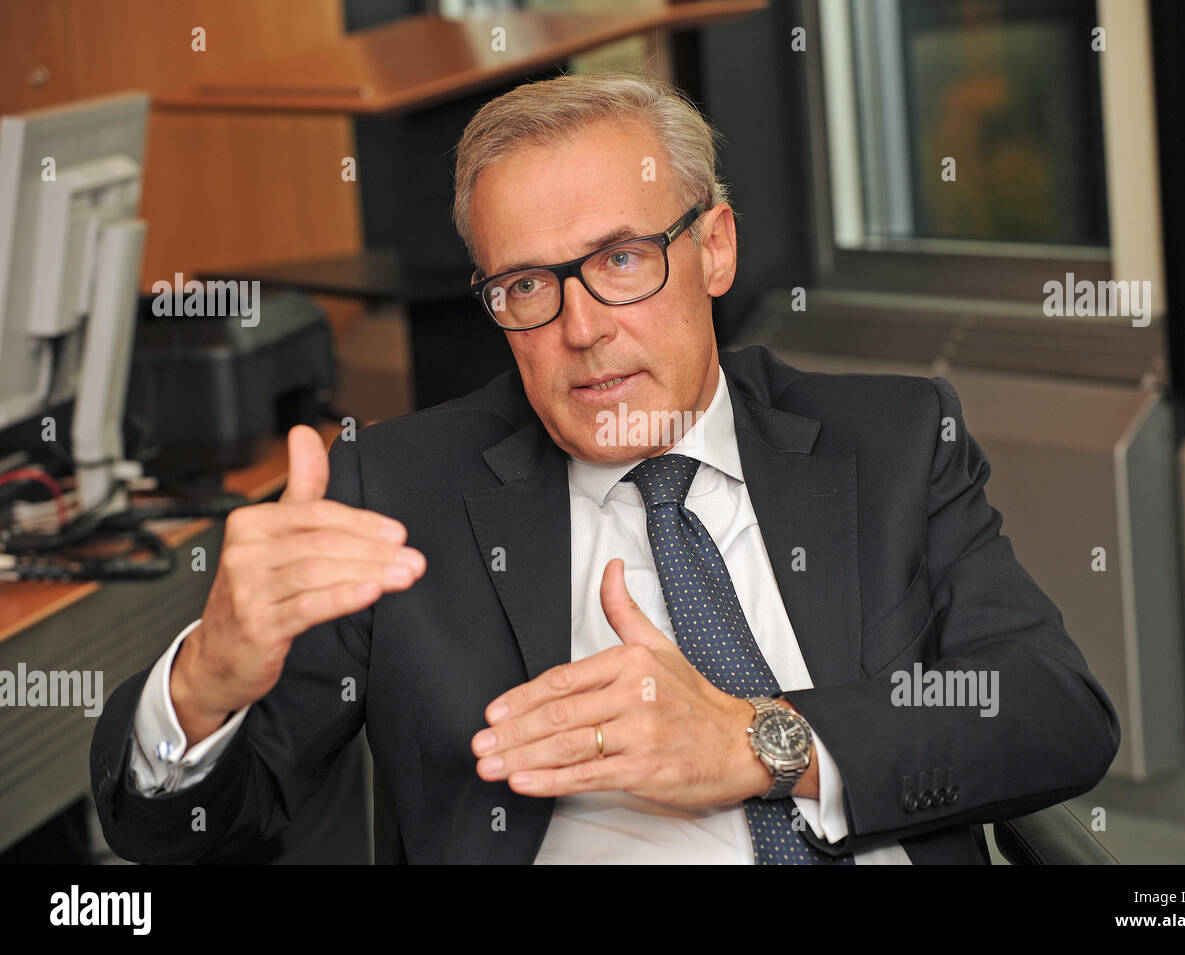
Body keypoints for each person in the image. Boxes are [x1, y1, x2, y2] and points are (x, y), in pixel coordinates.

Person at [90, 72, 1119, 864]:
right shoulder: (393, 495)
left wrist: (761, 743)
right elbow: (183, 835)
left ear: (713, 248)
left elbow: (1047, 711)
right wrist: (205, 684)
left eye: (622, 260)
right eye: (527, 284)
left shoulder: (890, 438)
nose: (580, 328)